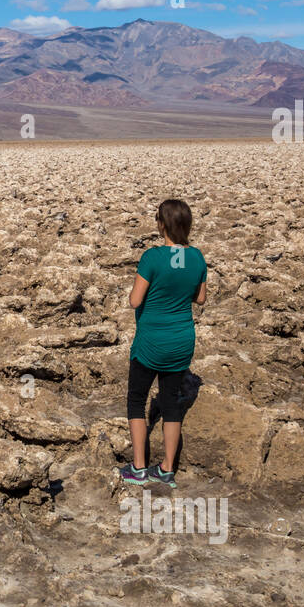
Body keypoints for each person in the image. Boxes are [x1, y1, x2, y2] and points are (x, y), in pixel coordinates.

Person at [120, 199, 207, 489]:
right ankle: (168, 469)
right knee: (171, 404)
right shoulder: (196, 257)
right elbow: (201, 298)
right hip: (182, 341)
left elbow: (135, 300)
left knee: (136, 400)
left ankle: (139, 467)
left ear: (162, 224)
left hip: (151, 342)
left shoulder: (152, 257)